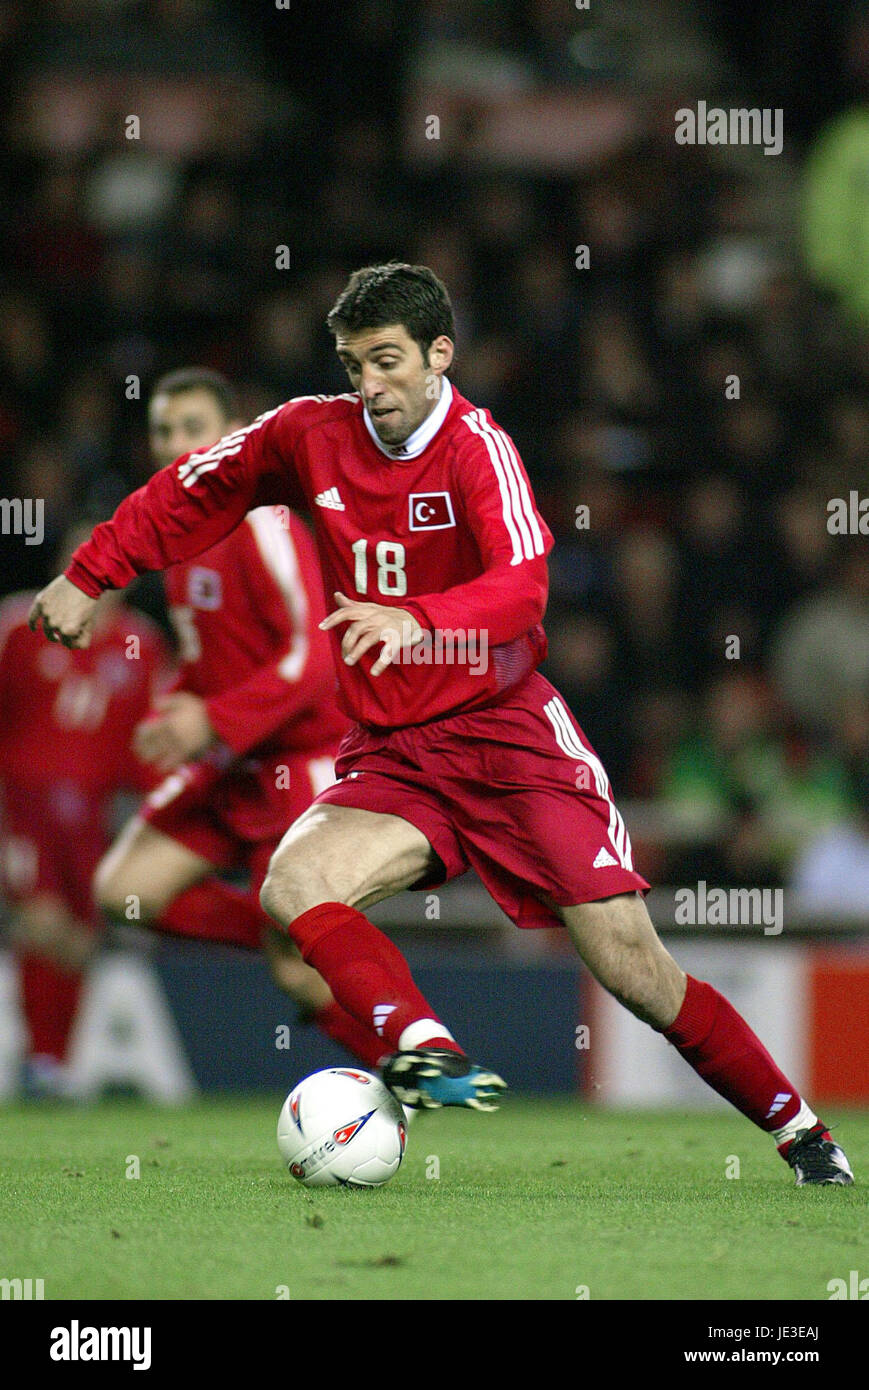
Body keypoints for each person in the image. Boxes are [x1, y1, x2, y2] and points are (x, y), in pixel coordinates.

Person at [30, 264, 852, 1184]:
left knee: (633, 971)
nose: (368, 385)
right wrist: (91, 571)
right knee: (293, 887)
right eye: (352, 364)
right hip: (393, 757)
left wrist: (415, 619)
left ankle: (800, 1131)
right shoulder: (307, 434)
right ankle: (425, 1046)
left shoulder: (475, 447)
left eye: (385, 361)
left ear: (438, 356)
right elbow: (191, 488)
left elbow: (522, 586)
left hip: (509, 743)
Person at [91, 367, 386, 1071]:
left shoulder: (265, 518)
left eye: (193, 428)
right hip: (231, 762)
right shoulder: (177, 536)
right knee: (123, 893)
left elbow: (313, 654)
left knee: (297, 972)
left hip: (298, 763)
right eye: (163, 431)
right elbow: (205, 657)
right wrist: (174, 709)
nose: (175, 445)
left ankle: (405, 1074)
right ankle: (278, 928)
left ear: (230, 435)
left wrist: (212, 720)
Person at [0, 524, 167, 1094]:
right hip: (25, 805)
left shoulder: (141, 644)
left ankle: (52, 1063)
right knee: (41, 921)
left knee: (79, 939)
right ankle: (40, 1061)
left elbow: (150, 746)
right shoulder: (21, 625)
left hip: (95, 815)